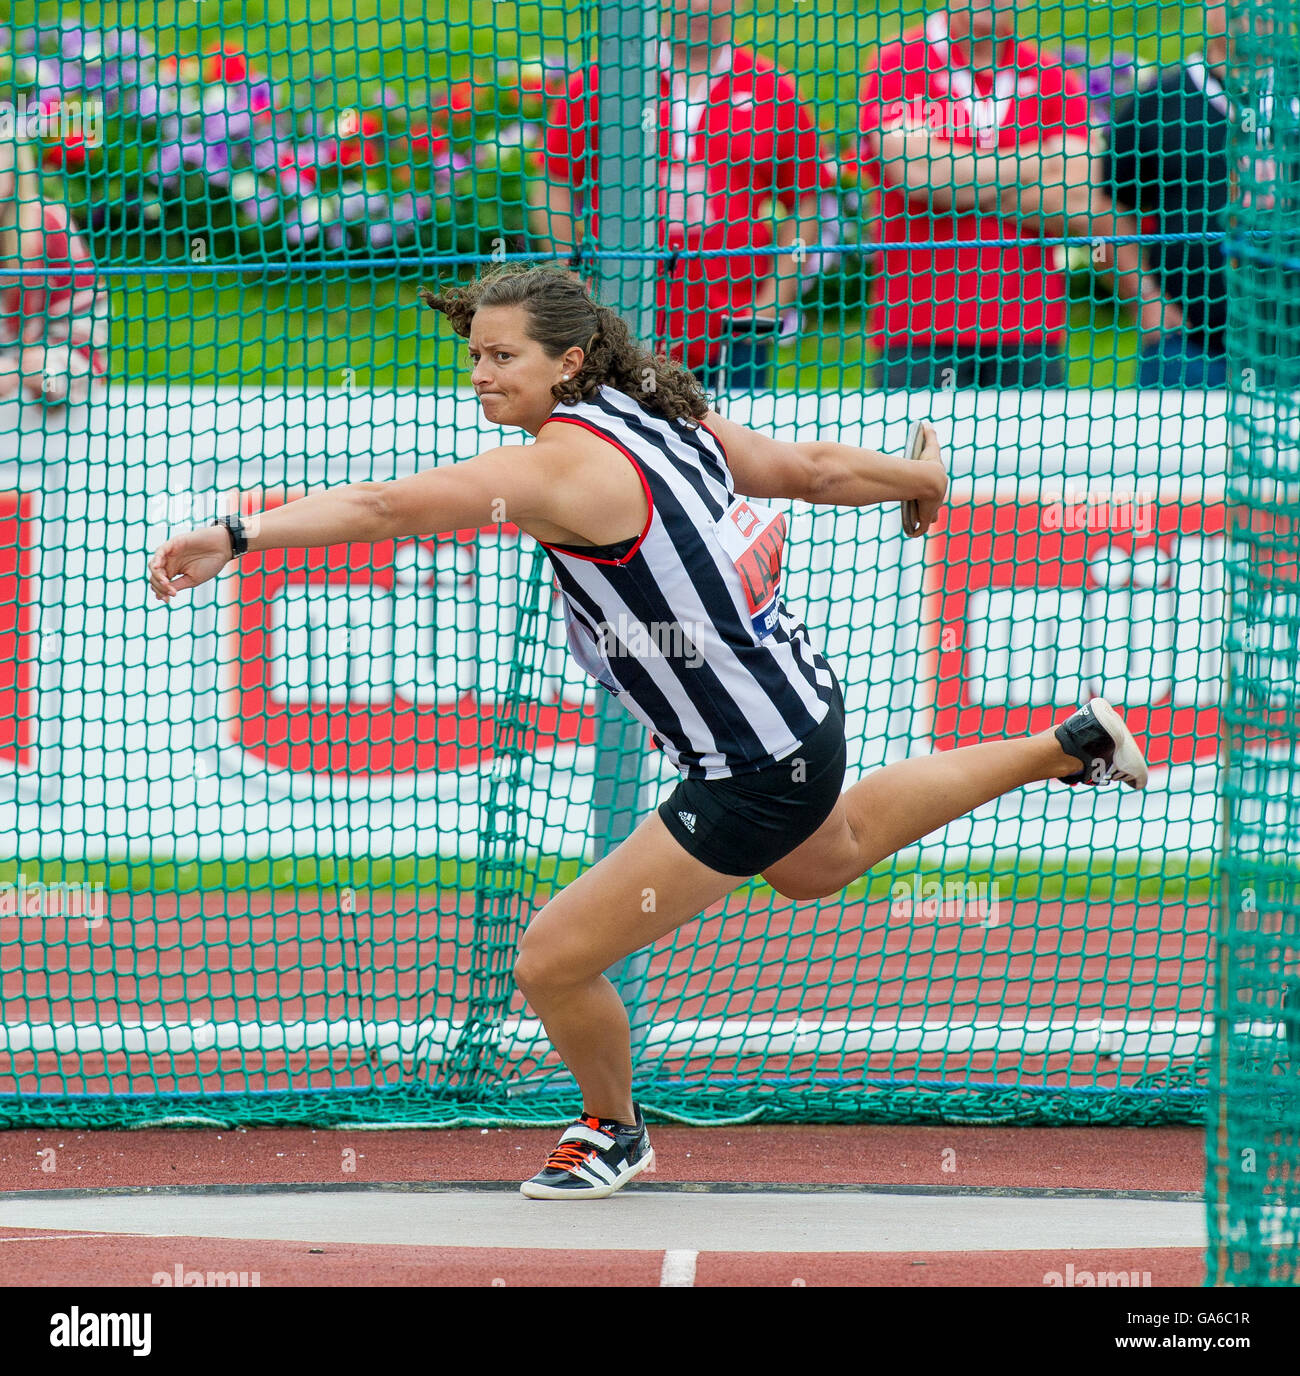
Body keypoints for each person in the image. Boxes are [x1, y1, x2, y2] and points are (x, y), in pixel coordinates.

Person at [147, 263, 1149, 1199]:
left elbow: (383, 505)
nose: (481, 374)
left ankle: (613, 1129)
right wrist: (913, 477)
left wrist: (237, 535)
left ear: (568, 361)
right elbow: (804, 467)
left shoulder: (555, 472)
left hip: (750, 764)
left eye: (504, 356)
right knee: (819, 859)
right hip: (800, 707)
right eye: (474, 354)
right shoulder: (655, 409)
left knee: (550, 959)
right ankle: (1073, 740)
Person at [856, 0, 1176, 388]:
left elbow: (1089, 185)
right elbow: (918, 173)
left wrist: (961, 181)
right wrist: (1046, 160)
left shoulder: (1050, 74)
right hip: (918, 334)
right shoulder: (897, 64)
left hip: (1029, 335)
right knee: (916, 452)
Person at [529, 0, 836, 394]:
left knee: (728, 453)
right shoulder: (603, 79)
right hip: (615, 322)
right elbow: (553, 181)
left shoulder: (771, 89)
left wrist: (775, 298)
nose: (699, 7)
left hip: (733, 331)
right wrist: (573, 278)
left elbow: (805, 199)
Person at [1103, 2, 1231, 388]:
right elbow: (1105, 204)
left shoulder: (1290, 97)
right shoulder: (1157, 103)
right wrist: (1145, 297)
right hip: (1186, 350)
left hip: (1286, 344)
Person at [0, 136, 108, 406]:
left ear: (13, 170)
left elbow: (90, 349)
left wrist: (43, 374)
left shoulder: (48, 226)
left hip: (33, 422)